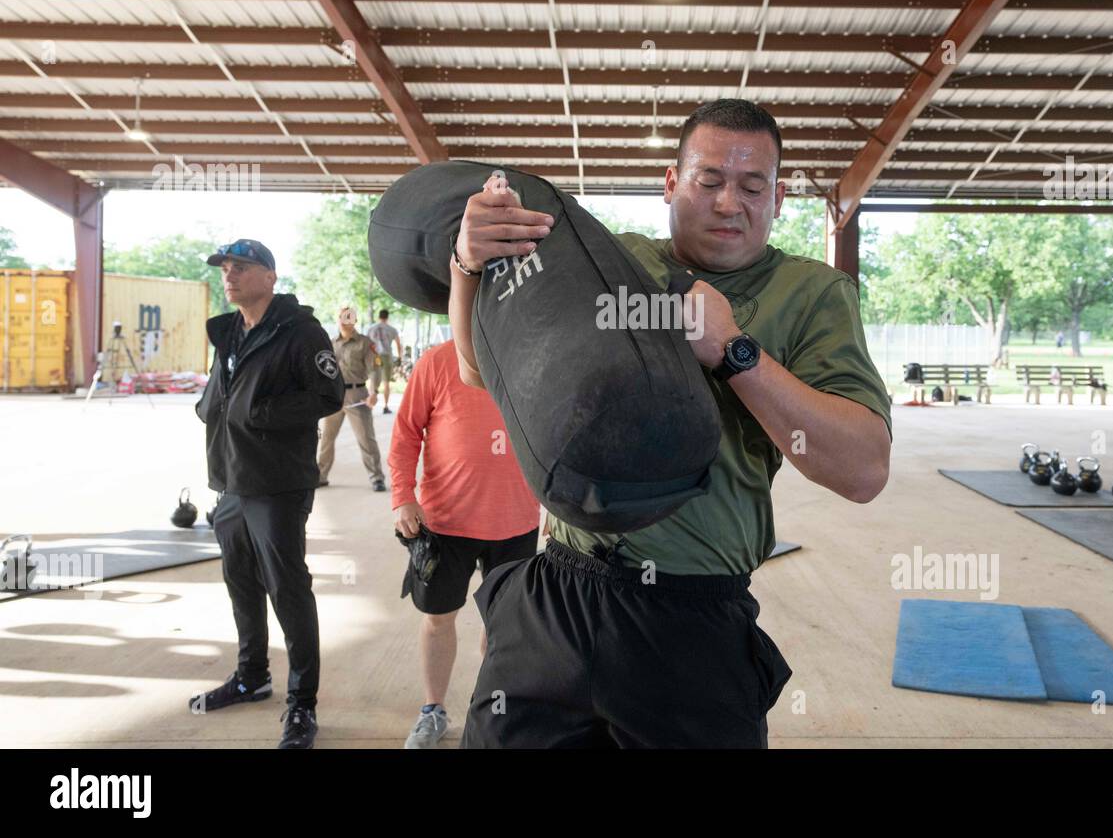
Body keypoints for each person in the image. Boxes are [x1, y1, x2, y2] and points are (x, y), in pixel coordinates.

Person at [449, 99, 893, 748]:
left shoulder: (812, 295)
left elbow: (863, 471)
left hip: (693, 621)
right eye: (709, 180)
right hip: (558, 595)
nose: (727, 203)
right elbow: (477, 371)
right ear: (670, 183)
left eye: (752, 186)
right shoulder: (610, 263)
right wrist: (468, 265)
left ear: (777, 199)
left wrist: (733, 351)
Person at [192, 239, 344, 749]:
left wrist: (261, 414)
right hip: (232, 482)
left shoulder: (300, 332)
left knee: (288, 589)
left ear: (270, 277)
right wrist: (211, 405)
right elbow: (224, 391)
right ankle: (250, 676)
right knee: (240, 582)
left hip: (277, 485)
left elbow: (329, 393)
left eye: (241, 268)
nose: (229, 276)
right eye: (225, 269)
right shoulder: (231, 330)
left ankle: (302, 703)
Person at [388, 339, 540, 748]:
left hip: (516, 521)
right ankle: (432, 710)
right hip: (445, 524)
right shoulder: (437, 361)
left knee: (502, 624)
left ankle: (492, 707)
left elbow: (553, 432)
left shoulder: (531, 353)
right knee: (438, 619)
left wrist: (558, 505)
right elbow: (406, 431)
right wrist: (403, 495)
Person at [316, 307, 388, 492]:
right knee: (326, 440)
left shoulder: (365, 343)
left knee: (366, 438)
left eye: (349, 318)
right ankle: (320, 476)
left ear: (354, 321)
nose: (345, 321)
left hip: (358, 396)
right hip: (334, 397)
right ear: (338, 319)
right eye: (342, 317)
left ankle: (377, 477)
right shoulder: (330, 343)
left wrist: (374, 392)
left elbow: (374, 369)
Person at [366, 309, 402, 414]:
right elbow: (398, 344)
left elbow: (367, 343)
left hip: (375, 356)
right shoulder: (392, 329)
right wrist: (399, 357)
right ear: (387, 317)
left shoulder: (371, 329)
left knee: (373, 381)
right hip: (386, 357)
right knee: (386, 382)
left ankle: (370, 406)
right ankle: (385, 407)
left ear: (379, 316)